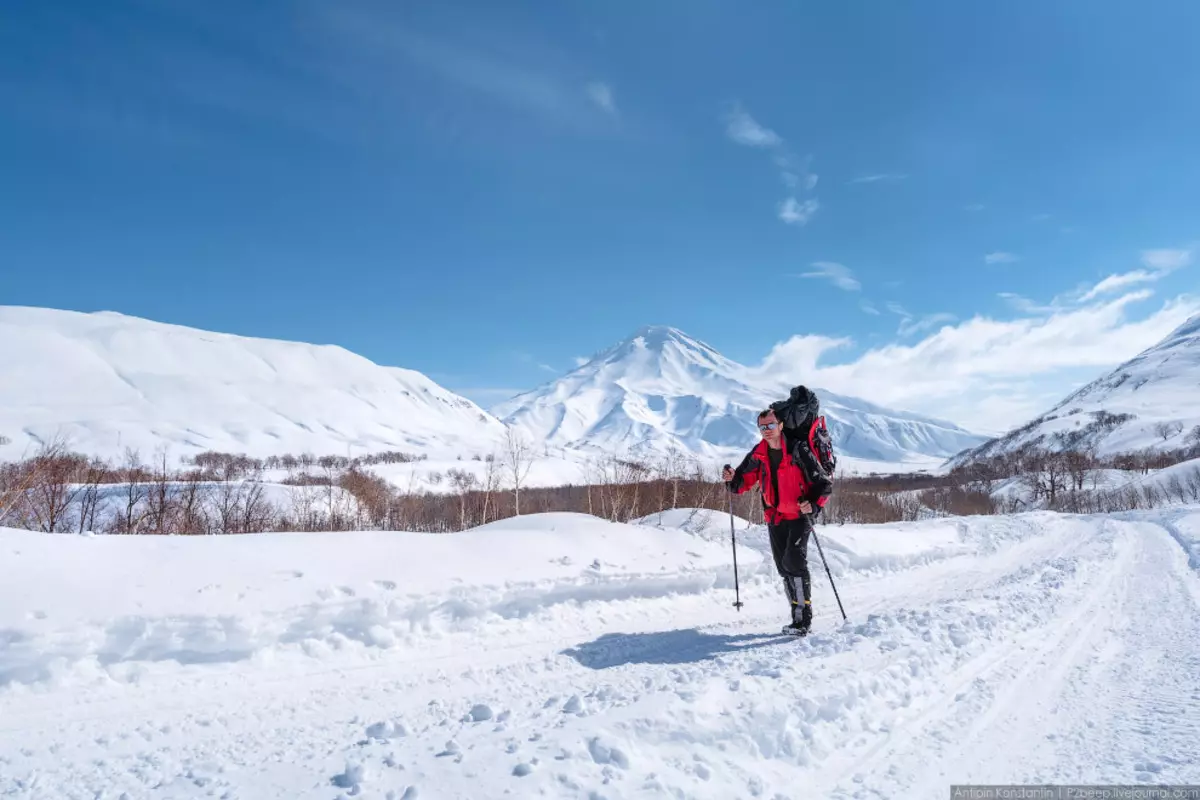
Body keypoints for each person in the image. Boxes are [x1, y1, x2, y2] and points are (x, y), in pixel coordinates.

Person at [722, 407, 831, 635]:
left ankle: (803, 619)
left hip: (800, 516)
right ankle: (796, 617)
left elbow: (824, 484)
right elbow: (742, 482)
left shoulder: (798, 450)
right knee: (783, 567)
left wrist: (813, 504)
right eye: (762, 427)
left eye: (771, 425)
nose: (767, 430)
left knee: (794, 561)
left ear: (780, 425)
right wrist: (732, 479)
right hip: (775, 516)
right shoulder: (759, 453)